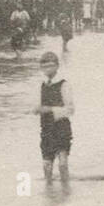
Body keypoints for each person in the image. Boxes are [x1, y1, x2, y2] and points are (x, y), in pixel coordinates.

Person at [32, 52, 73, 183]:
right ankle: (49, 189)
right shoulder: (42, 85)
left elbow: (70, 109)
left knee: (62, 163)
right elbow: (36, 106)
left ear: (57, 66)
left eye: (51, 66)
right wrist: (36, 110)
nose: (48, 69)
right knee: (46, 164)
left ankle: (66, 188)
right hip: (46, 127)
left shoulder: (64, 84)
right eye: (44, 67)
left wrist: (50, 110)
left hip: (61, 127)